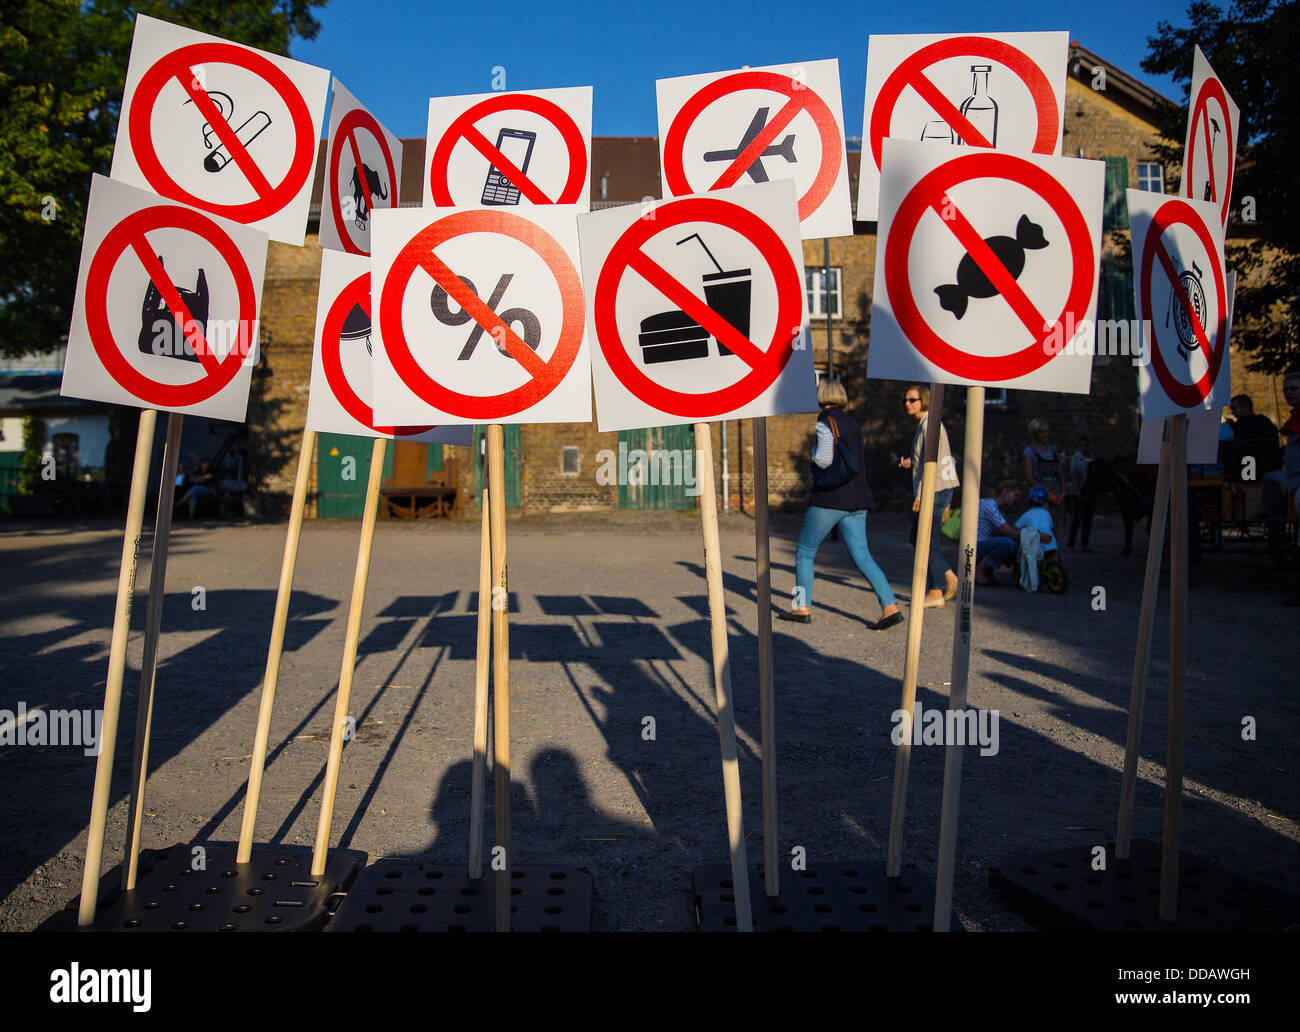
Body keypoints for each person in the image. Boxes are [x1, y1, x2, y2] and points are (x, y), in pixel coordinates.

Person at [785, 377, 903, 630]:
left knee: (805, 553)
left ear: (822, 395)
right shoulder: (852, 423)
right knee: (862, 555)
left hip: (830, 498)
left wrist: (814, 454)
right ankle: (889, 605)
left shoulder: (826, 421)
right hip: (857, 499)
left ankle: (801, 607)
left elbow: (825, 460)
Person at [897, 384, 960, 608]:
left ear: (923, 400)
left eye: (912, 400)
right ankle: (950, 578)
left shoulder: (929, 426)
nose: (907, 403)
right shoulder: (925, 425)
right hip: (935, 488)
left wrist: (921, 495)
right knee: (918, 538)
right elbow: (927, 458)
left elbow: (931, 465)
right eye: (906, 400)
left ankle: (935, 591)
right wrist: (911, 463)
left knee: (927, 541)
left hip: (935, 490)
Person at [975, 480, 1022, 586]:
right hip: (976, 546)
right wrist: (1031, 536)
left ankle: (987, 571)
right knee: (1009, 544)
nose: (1017, 500)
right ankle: (980, 571)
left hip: (978, 545)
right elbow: (1007, 531)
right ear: (1005, 492)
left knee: (1011, 544)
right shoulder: (990, 506)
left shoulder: (990, 504)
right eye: (1016, 495)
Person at [1228, 394, 1282, 475]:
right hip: (1269, 469)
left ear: (1245, 407)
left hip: (1249, 472)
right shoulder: (1265, 421)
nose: (1232, 412)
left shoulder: (1241, 425)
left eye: (1234, 408)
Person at [1022, 418, 1065, 508]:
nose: (1046, 435)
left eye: (1047, 432)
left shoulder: (1055, 450)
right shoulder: (1030, 452)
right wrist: (1047, 494)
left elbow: (1061, 473)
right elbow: (1029, 478)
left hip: (1057, 491)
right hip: (1040, 495)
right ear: (1034, 434)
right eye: (1042, 432)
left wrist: (1063, 493)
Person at [1066, 435, 1096, 550]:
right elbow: (1074, 477)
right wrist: (1078, 493)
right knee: (1077, 518)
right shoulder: (1076, 458)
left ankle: (1085, 544)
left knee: (1088, 520)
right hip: (1079, 491)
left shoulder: (1092, 457)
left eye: (1086, 445)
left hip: (1090, 493)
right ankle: (1071, 544)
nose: (1085, 448)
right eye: (1082, 446)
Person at [1016, 485, 1058, 554]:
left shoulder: (1026, 515)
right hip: (1051, 547)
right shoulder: (1047, 514)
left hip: (1035, 550)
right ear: (1046, 503)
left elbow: (1015, 529)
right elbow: (1051, 528)